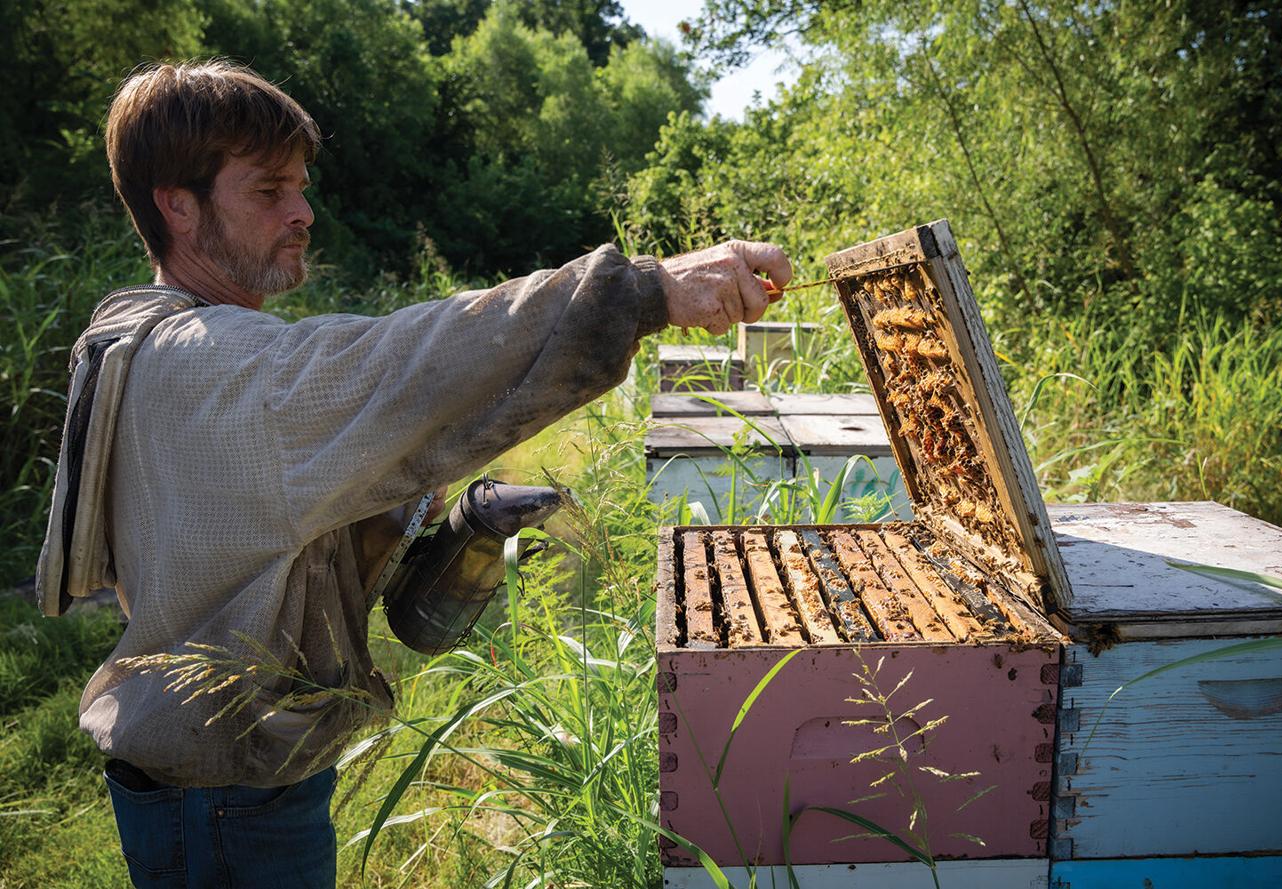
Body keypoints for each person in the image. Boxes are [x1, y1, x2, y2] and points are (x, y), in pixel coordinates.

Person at [33, 59, 792, 887]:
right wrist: (640, 291)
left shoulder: (161, 340)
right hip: (225, 803)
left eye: (301, 186)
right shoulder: (211, 365)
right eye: (268, 191)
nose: (303, 211)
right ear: (177, 205)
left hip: (223, 783)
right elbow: (405, 361)